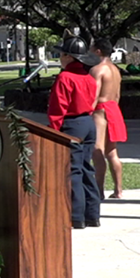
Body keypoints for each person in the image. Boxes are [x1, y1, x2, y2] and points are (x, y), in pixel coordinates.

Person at [48, 36, 101, 229]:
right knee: (86, 167)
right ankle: (92, 214)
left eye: (62, 54)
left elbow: (57, 107)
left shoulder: (65, 77)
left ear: (69, 57)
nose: (60, 58)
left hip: (72, 123)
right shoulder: (88, 77)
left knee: (74, 170)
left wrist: (53, 131)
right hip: (88, 122)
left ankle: (76, 215)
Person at [90, 36, 128, 200]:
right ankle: (118, 190)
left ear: (98, 51)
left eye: (92, 48)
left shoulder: (97, 69)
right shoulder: (116, 70)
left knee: (97, 150)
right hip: (113, 107)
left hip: (100, 109)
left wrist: (87, 112)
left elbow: (94, 95)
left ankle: (99, 190)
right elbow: (118, 95)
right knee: (112, 152)